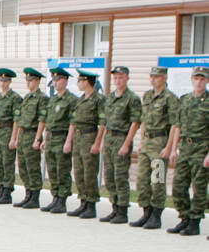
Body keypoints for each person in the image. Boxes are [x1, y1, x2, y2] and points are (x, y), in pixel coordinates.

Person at [131, 65, 179, 229]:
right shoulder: (147, 96)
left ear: (164, 78)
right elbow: (143, 121)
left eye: (156, 77)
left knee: (157, 180)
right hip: (147, 142)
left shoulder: (170, 98)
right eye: (151, 76)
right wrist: (142, 141)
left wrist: (169, 147)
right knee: (142, 180)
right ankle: (146, 212)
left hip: (160, 142)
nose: (153, 79)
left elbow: (174, 124)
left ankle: (156, 215)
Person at [166, 65, 209, 237]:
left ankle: (194, 221)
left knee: (198, 187)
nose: (198, 81)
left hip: (202, 148)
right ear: (192, 80)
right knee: (178, 185)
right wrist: (174, 149)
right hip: (184, 147)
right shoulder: (184, 100)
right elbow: (177, 126)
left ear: (206, 81)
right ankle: (184, 217)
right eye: (196, 78)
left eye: (202, 78)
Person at [100, 65, 141, 223]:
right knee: (109, 176)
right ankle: (114, 207)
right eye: (115, 77)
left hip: (121, 139)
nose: (117, 80)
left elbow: (135, 123)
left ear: (127, 78)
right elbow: (106, 121)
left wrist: (126, 143)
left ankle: (122, 211)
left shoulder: (132, 98)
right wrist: (103, 140)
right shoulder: (110, 97)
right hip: (109, 139)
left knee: (120, 176)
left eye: (121, 77)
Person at [64, 70, 105, 218]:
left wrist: (97, 142)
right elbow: (73, 122)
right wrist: (69, 140)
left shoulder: (98, 99)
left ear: (87, 81)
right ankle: (83, 202)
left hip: (90, 136)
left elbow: (102, 123)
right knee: (79, 171)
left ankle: (91, 204)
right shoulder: (80, 100)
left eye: (80, 81)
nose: (78, 83)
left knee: (89, 172)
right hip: (78, 137)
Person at [9, 66, 47, 208]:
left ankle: (34, 197)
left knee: (32, 167)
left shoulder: (42, 98)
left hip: (32, 134)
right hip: (23, 134)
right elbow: (20, 120)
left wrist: (38, 138)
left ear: (37, 81)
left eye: (30, 80)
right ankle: (28, 194)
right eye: (27, 80)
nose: (28, 82)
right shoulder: (26, 98)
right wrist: (17, 138)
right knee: (23, 167)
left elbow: (42, 120)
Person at [42, 67, 78, 214]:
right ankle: (55, 197)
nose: (55, 83)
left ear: (65, 81)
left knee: (62, 169)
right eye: (54, 80)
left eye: (58, 80)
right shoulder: (53, 99)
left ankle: (62, 200)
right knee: (52, 169)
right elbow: (48, 122)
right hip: (51, 138)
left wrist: (69, 141)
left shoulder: (71, 100)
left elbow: (72, 122)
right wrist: (44, 139)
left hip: (62, 137)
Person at [0, 68, 22, 205]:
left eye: (6, 80)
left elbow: (16, 120)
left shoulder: (15, 98)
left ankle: (7, 192)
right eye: (1, 80)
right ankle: (0, 189)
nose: (3, 82)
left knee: (8, 163)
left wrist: (14, 138)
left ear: (10, 81)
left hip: (7, 131)